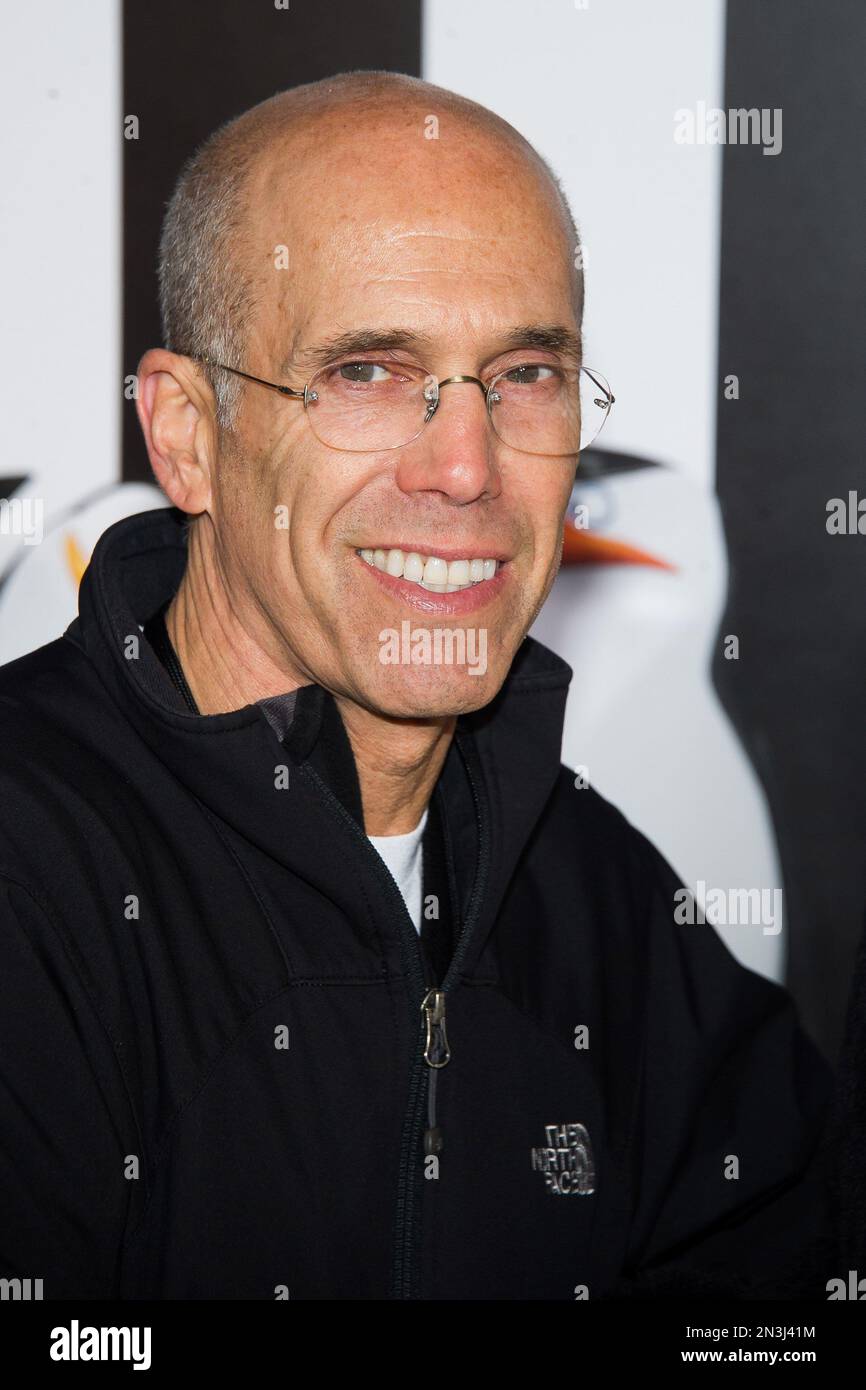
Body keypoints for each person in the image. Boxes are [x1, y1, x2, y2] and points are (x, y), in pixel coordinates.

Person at [0, 70, 831, 1300]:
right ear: (185, 435)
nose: (464, 464)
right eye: (367, 373)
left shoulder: (598, 892)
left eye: (524, 375)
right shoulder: (29, 871)